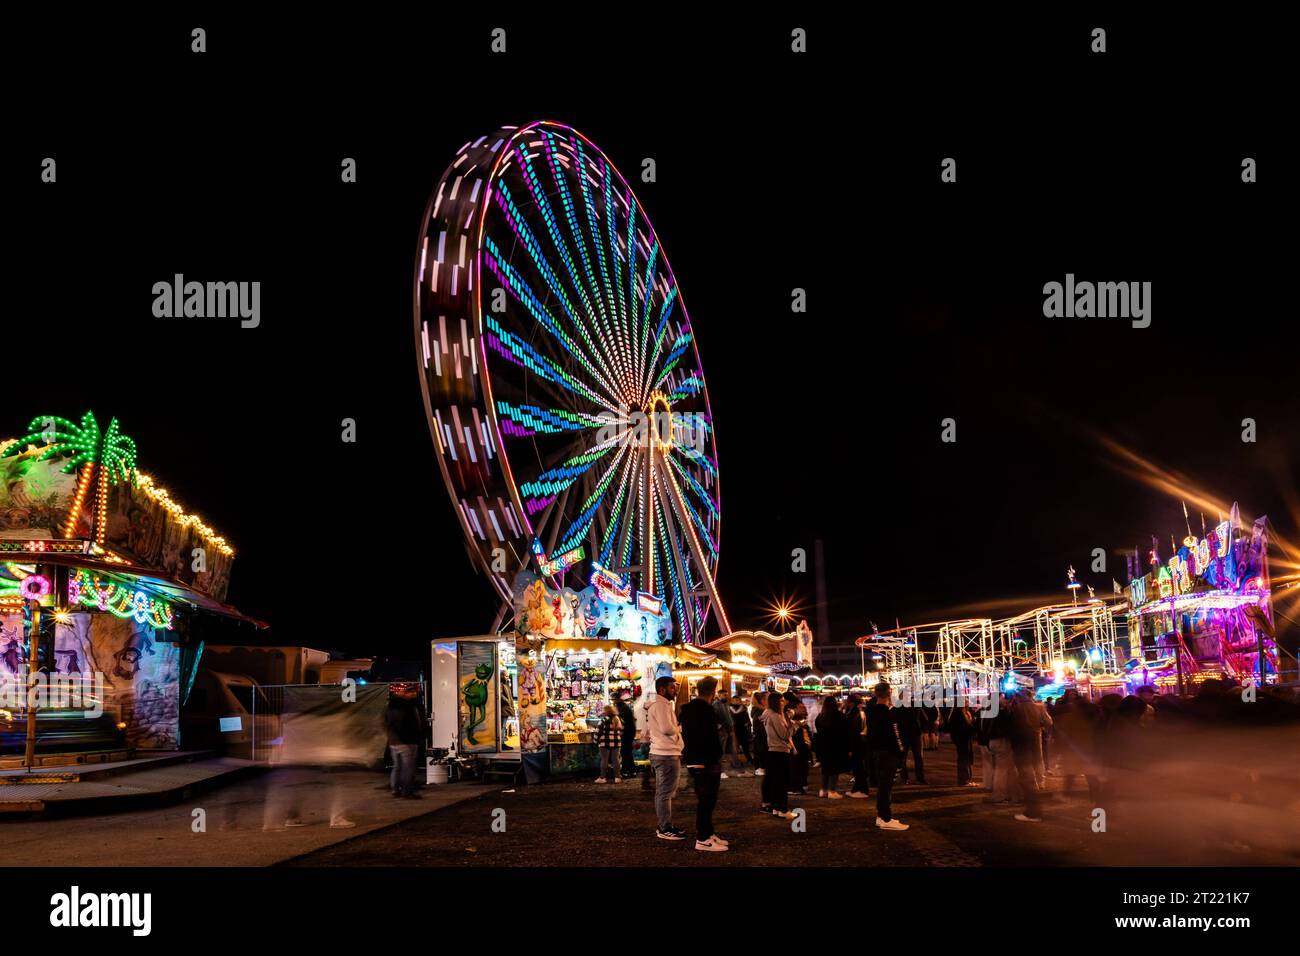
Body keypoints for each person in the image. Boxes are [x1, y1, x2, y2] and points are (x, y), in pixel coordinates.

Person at [679, 676, 729, 851]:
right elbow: (710, 737)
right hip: (705, 760)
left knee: (706, 799)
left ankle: (708, 833)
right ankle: (702, 838)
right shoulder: (707, 711)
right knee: (707, 799)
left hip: (694, 758)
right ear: (713, 691)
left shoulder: (686, 709)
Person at [647, 675, 687, 840]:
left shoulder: (661, 705)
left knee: (664, 792)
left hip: (664, 752)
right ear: (662, 689)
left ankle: (665, 825)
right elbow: (667, 729)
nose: (675, 690)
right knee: (665, 793)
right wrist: (679, 728)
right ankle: (664, 828)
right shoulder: (661, 706)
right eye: (672, 688)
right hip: (665, 753)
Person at [866, 682, 908, 830]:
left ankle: (881, 816)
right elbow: (895, 734)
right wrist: (901, 751)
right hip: (889, 752)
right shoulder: (888, 713)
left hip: (877, 751)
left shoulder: (870, 711)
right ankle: (885, 818)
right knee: (886, 786)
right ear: (889, 693)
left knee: (882, 786)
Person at [758, 692, 796, 818]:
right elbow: (784, 735)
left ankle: (776, 808)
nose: (784, 702)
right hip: (779, 751)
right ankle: (783, 810)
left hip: (773, 751)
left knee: (776, 781)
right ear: (776, 702)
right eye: (781, 700)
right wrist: (793, 726)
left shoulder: (769, 714)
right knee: (781, 782)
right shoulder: (775, 716)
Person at [384, 682, 424, 799]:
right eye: (412, 692)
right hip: (406, 741)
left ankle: (395, 789)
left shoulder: (392, 706)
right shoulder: (407, 707)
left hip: (394, 741)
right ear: (405, 693)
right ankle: (407, 791)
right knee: (408, 767)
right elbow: (406, 724)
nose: (414, 694)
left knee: (397, 766)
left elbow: (387, 723)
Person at [1009, 691, 1045, 822]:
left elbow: (1011, 729)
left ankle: (1033, 812)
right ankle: (1034, 810)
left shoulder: (1016, 710)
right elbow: (1048, 722)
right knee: (1031, 778)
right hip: (1035, 746)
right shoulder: (1039, 707)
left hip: (1022, 748)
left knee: (1027, 779)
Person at [814, 694, 849, 798]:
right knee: (834, 769)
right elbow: (844, 732)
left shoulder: (820, 716)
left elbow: (817, 730)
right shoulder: (839, 715)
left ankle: (823, 790)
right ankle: (832, 790)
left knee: (825, 768)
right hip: (835, 745)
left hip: (823, 746)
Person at [844, 694, 870, 798]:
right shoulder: (860, 712)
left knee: (858, 767)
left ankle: (862, 790)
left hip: (857, 744)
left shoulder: (855, 714)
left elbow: (853, 731)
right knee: (857, 767)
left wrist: (850, 747)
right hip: (860, 743)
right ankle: (856, 788)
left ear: (851, 702)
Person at [945, 701, 977, 786]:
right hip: (962, 739)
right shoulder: (958, 713)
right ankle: (964, 780)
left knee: (966, 758)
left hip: (965, 739)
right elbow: (964, 727)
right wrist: (973, 727)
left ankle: (966, 779)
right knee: (964, 759)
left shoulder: (964, 712)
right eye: (965, 701)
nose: (967, 702)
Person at [895, 700, 926, 784]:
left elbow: (923, 718)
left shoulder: (915, 706)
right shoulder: (897, 707)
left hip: (913, 734)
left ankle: (918, 778)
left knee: (918, 757)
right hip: (906, 734)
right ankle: (906, 778)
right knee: (905, 758)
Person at [594, 703, 623, 784]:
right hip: (616, 742)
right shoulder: (617, 719)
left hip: (604, 743)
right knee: (616, 760)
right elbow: (621, 731)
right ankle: (617, 777)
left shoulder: (603, 720)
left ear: (606, 712)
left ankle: (603, 777)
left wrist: (595, 741)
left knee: (604, 760)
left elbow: (598, 732)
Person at [712, 687, 735, 779]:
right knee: (720, 751)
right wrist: (721, 726)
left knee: (723, 751)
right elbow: (716, 717)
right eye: (724, 695)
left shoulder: (726, 704)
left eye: (727, 695)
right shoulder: (716, 704)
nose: (726, 696)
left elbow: (728, 716)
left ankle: (720, 770)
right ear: (719, 695)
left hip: (726, 729)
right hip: (721, 729)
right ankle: (719, 771)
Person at [789, 705, 812, 795]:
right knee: (796, 765)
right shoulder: (790, 718)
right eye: (801, 707)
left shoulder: (802, 718)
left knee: (802, 765)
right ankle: (795, 787)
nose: (804, 709)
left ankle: (802, 784)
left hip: (802, 745)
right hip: (795, 745)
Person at [730, 695, 753, 774]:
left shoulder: (743, 708)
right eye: (735, 700)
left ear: (740, 701)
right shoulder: (729, 708)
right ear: (732, 701)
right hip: (734, 729)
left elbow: (747, 718)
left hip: (743, 729)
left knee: (745, 745)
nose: (736, 702)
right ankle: (736, 762)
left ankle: (749, 759)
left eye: (738, 700)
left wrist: (748, 724)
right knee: (734, 747)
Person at [616, 692, 637, 778]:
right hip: (630, 732)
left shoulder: (622, 708)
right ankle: (632, 771)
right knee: (628, 752)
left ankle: (625, 771)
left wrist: (621, 730)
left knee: (625, 752)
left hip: (627, 733)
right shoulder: (625, 707)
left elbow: (623, 722)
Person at [750, 691, 769, 776]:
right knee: (762, 753)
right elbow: (760, 728)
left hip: (761, 738)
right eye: (768, 698)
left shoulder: (762, 711)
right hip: (761, 738)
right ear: (762, 701)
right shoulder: (759, 712)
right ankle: (760, 768)